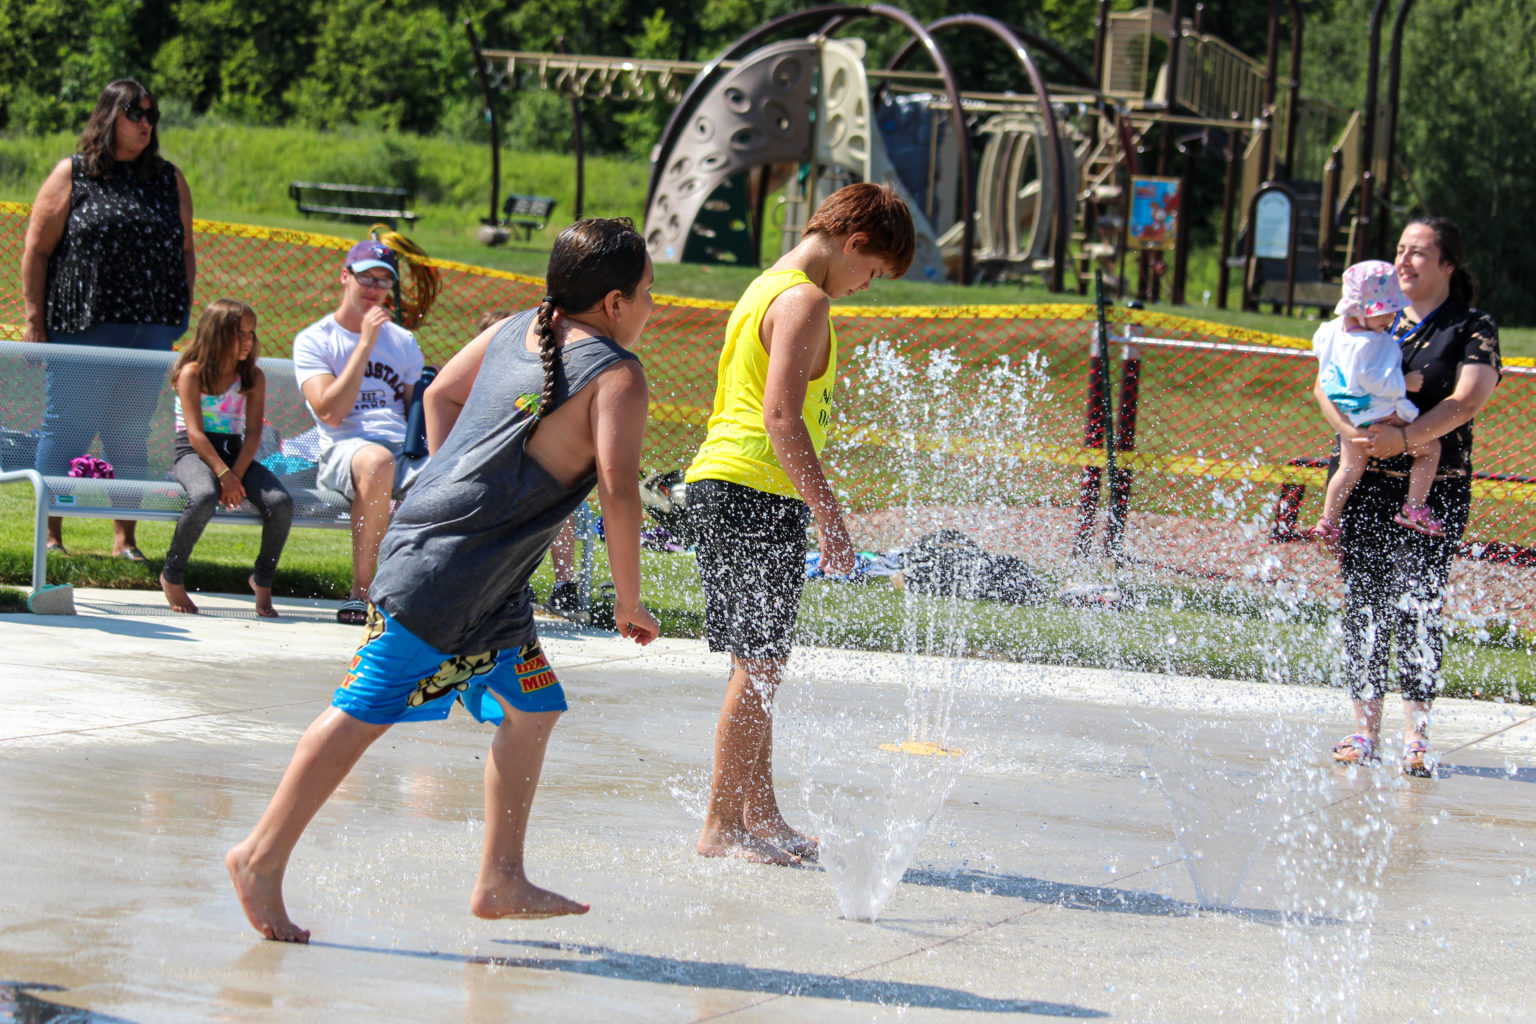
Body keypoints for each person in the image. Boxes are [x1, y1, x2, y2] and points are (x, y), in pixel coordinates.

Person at [227, 217, 660, 942]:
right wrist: (628, 598)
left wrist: (463, 473)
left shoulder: (521, 325)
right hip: (445, 572)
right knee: (365, 704)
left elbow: (440, 399)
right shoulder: (616, 374)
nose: (651, 307)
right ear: (614, 303)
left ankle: (500, 879)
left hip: (484, 581)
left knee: (533, 706)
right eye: (648, 294)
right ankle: (259, 858)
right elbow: (618, 489)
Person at [685, 183, 915, 864]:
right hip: (754, 489)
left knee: (755, 668)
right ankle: (722, 826)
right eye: (872, 272)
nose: (865, 286)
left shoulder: (765, 286)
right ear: (855, 243)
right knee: (759, 669)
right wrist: (830, 517)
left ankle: (761, 813)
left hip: (724, 486)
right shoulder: (806, 300)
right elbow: (781, 415)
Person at [1320, 218, 1500, 777]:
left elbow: (1467, 400)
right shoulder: (1371, 314)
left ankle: (1415, 736)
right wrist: (1348, 433)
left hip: (1433, 487)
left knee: (1417, 601)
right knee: (1365, 602)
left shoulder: (1471, 326)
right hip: (1364, 478)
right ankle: (1363, 729)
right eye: (1400, 250)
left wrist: (1404, 439)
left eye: (1418, 252)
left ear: (1448, 264)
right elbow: (1323, 380)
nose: (1404, 261)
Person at [20, 79, 195, 560]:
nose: (146, 123)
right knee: (69, 429)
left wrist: (178, 314)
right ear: (108, 116)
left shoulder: (167, 179)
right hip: (83, 326)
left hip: (150, 330)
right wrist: (35, 321)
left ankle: (125, 540)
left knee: (128, 435)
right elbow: (37, 251)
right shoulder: (73, 174)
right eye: (135, 113)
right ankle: (50, 536)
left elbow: (185, 251)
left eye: (151, 115)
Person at [293, 239, 425, 624]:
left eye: (384, 282)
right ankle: (363, 594)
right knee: (377, 462)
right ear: (344, 277)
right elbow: (331, 413)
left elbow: (413, 410)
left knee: (453, 479)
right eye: (366, 278)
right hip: (345, 448)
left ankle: (437, 598)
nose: (374, 289)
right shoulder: (315, 340)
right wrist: (365, 344)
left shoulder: (402, 341)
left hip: (399, 449)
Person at [160, 300, 292, 617]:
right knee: (204, 496)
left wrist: (237, 473)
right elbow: (194, 433)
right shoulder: (191, 373)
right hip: (193, 451)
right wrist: (224, 476)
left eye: (251, 333)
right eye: (239, 334)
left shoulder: (252, 377)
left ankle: (262, 578)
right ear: (217, 334)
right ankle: (172, 575)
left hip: (234, 452)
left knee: (280, 503)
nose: (248, 341)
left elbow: (254, 434)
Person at [1309, 260, 1442, 552]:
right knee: (1430, 450)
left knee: (1349, 468)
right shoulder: (1371, 344)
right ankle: (1415, 507)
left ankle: (1328, 520)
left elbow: (1322, 354)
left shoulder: (1330, 331)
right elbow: (1372, 378)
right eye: (1384, 312)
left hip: (1352, 415)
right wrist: (1403, 382)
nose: (1391, 318)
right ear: (1362, 310)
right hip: (1384, 416)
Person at [476, 307, 583, 620]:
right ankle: (510, 581)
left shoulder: (538, 381)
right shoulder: (472, 379)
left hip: (526, 470)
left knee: (558, 498)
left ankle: (564, 587)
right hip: (488, 471)